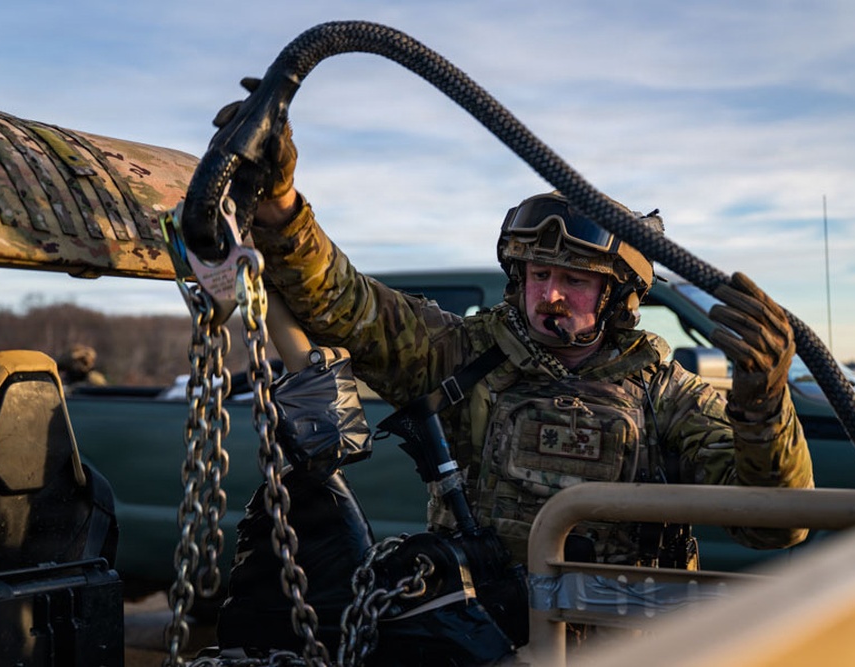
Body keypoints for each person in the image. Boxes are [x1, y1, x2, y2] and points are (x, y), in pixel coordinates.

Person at [214, 90, 814, 573]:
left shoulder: (670, 397)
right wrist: (282, 206)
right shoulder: (462, 354)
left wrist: (763, 402)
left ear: (617, 298)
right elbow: (349, 304)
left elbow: (773, 524)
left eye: (574, 280)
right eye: (538, 273)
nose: (549, 294)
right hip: (480, 639)